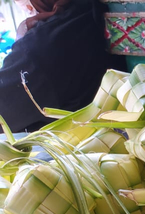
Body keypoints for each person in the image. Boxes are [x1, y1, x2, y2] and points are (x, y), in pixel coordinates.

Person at [0, 0, 125, 132]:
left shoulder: (40, 47)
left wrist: (21, 41)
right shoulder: (92, 13)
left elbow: (4, 113)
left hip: (90, 145)